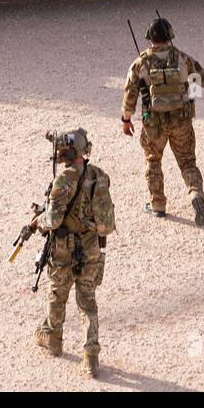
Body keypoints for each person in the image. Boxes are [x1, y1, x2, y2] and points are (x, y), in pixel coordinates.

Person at [121, 17, 204, 226]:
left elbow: (130, 93)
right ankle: (195, 194)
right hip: (181, 121)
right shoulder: (182, 58)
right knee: (187, 163)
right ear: (170, 37)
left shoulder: (141, 62)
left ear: (150, 39)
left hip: (153, 123)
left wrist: (126, 119)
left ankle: (157, 205)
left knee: (153, 160)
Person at [31, 128, 115, 378]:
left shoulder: (63, 181)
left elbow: (54, 220)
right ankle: (91, 357)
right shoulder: (99, 176)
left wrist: (38, 221)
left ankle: (53, 337)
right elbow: (105, 222)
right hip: (90, 247)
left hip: (63, 247)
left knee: (58, 292)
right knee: (88, 301)